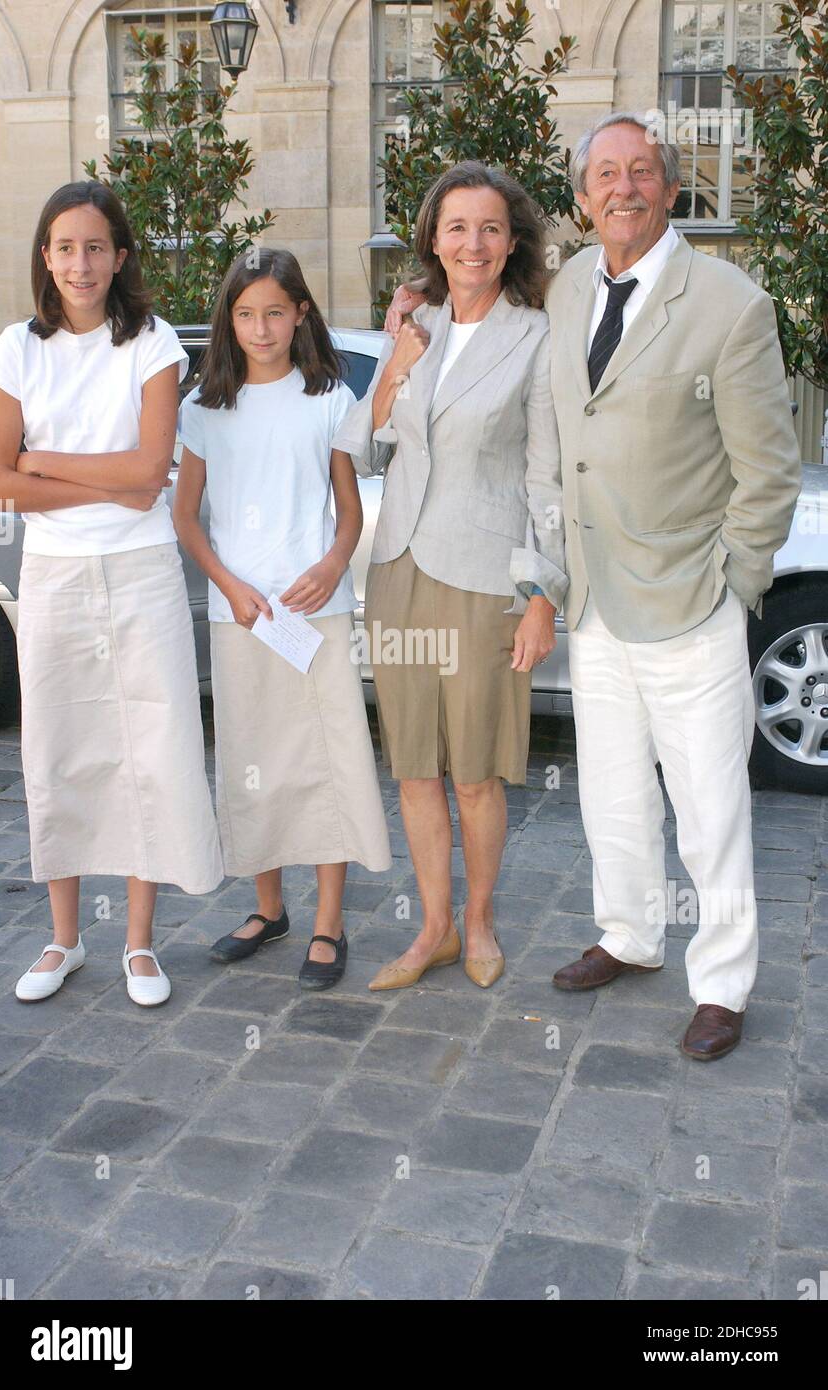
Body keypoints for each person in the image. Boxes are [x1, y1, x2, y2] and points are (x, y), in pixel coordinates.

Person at [387, 114, 801, 1058]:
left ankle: (724, 981)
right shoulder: (570, 289)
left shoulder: (728, 304)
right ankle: (629, 934)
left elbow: (766, 471)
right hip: (593, 603)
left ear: (668, 187)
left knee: (708, 805)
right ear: (581, 199)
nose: (623, 188)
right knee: (610, 792)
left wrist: (732, 584)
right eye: (604, 175)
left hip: (688, 600)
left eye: (642, 172)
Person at [0, 180, 223, 1008]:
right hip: (52, 574)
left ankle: (141, 945)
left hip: (142, 572)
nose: (79, 263)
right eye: (63, 247)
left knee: (148, 749)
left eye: (94, 247)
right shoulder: (17, 349)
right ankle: (64, 939)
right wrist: (100, 482)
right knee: (59, 748)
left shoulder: (151, 344)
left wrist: (42, 461)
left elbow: (150, 473)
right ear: (44, 257)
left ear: (120, 256)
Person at [334, 161, 566, 992]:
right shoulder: (416, 325)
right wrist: (396, 354)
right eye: (457, 227)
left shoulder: (536, 335)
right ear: (433, 237)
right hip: (397, 570)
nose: (473, 243)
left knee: (473, 769)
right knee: (412, 768)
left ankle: (478, 923)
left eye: (490, 228)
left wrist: (540, 592)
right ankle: (431, 925)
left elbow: (547, 478)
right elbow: (364, 447)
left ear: (511, 243)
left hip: (481, 578)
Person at [173, 247, 391, 991]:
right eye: (244, 314)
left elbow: (348, 510)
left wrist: (334, 563)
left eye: (274, 312)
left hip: (315, 615)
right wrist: (229, 587)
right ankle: (269, 910)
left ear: (300, 313)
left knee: (322, 762)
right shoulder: (203, 407)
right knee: (251, 762)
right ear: (227, 321)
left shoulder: (328, 397)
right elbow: (187, 517)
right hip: (241, 617)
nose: (260, 328)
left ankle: (328, 920)